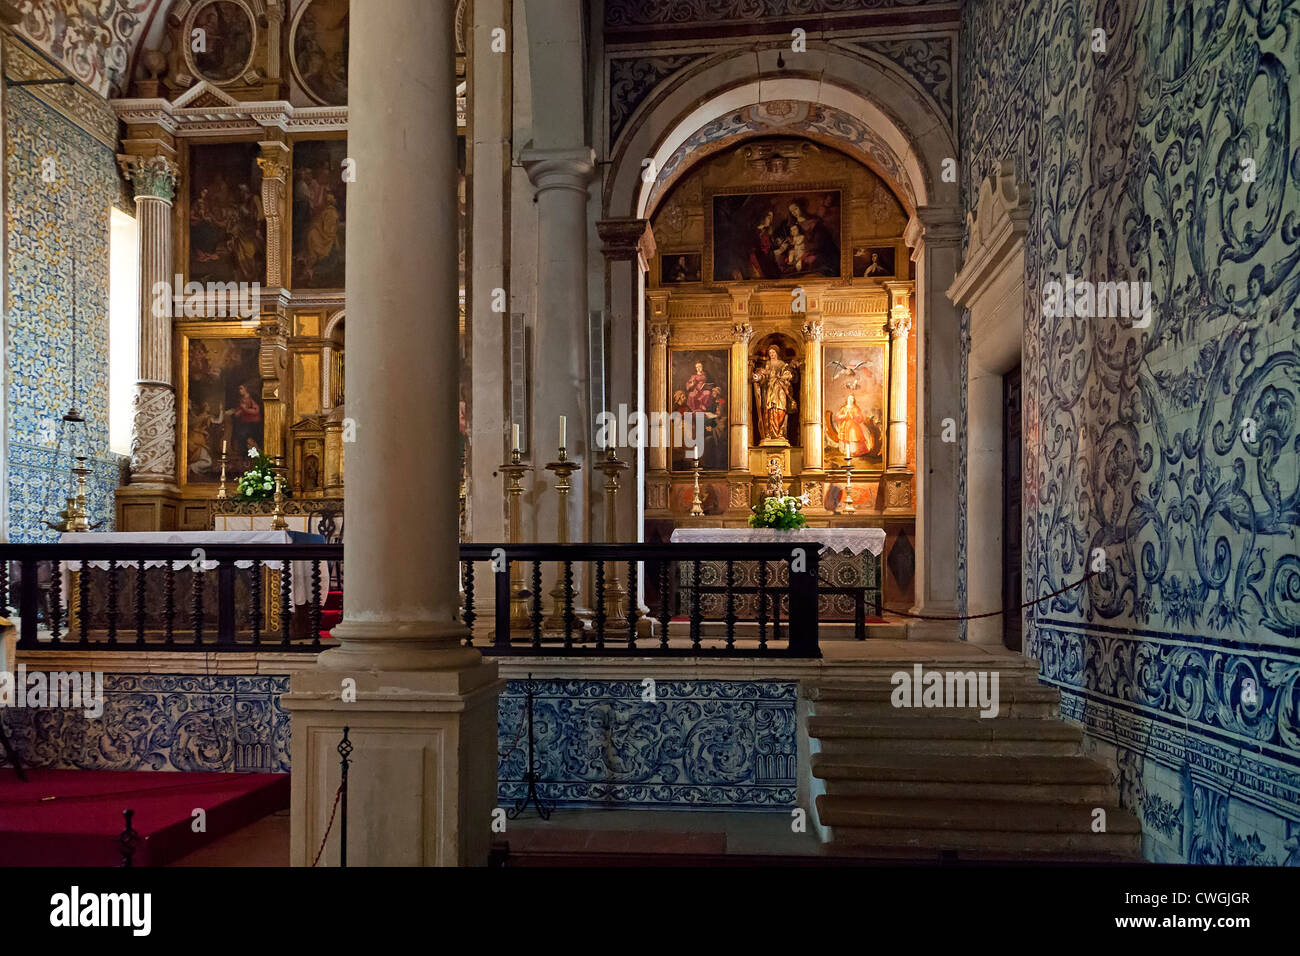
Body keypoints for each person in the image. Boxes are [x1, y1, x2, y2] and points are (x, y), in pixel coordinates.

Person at [752, 345, 796, 442]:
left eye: (773, 352)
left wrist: (784, 377)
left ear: (777, 353)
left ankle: (780, 433)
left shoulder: (782, 364)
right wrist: (757, 377)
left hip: (780, 388)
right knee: (769, 410)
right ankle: (769, 433)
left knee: (780, 409)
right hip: (769, 389)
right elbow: (762, 375)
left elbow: (789, 374)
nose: (771, 354)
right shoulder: (767, 364)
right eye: (770, 353)